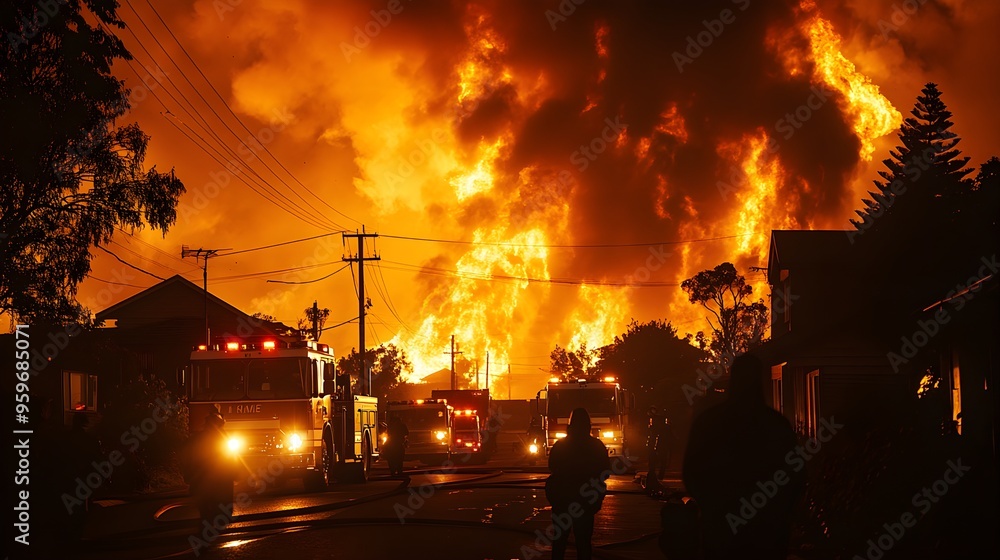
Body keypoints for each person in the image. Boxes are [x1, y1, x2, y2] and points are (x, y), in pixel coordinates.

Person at [682, 353, 802, 560]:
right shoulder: (776, 425)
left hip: (721, 527)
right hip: (766, 532)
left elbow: (691, 472)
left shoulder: (709, 421)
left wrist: (711, 506)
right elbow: (796, 477)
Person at [546, 408, 611, 560]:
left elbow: (553, 466)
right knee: (583, 542)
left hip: (562, 500)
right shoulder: (597, 446)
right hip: (586, 501)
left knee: (560, 540)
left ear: (570, 425)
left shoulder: (560, 445)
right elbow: (605, 471)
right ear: (589, 425)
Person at [186, 410, 237, 529]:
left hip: (205, 481)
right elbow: (233, 460)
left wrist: (188, 476)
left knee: (206, 511)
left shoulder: (197, 439)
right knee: (217, 511)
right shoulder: (225, 439)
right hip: (218, 481)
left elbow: (188, 458)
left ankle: (206, 533)